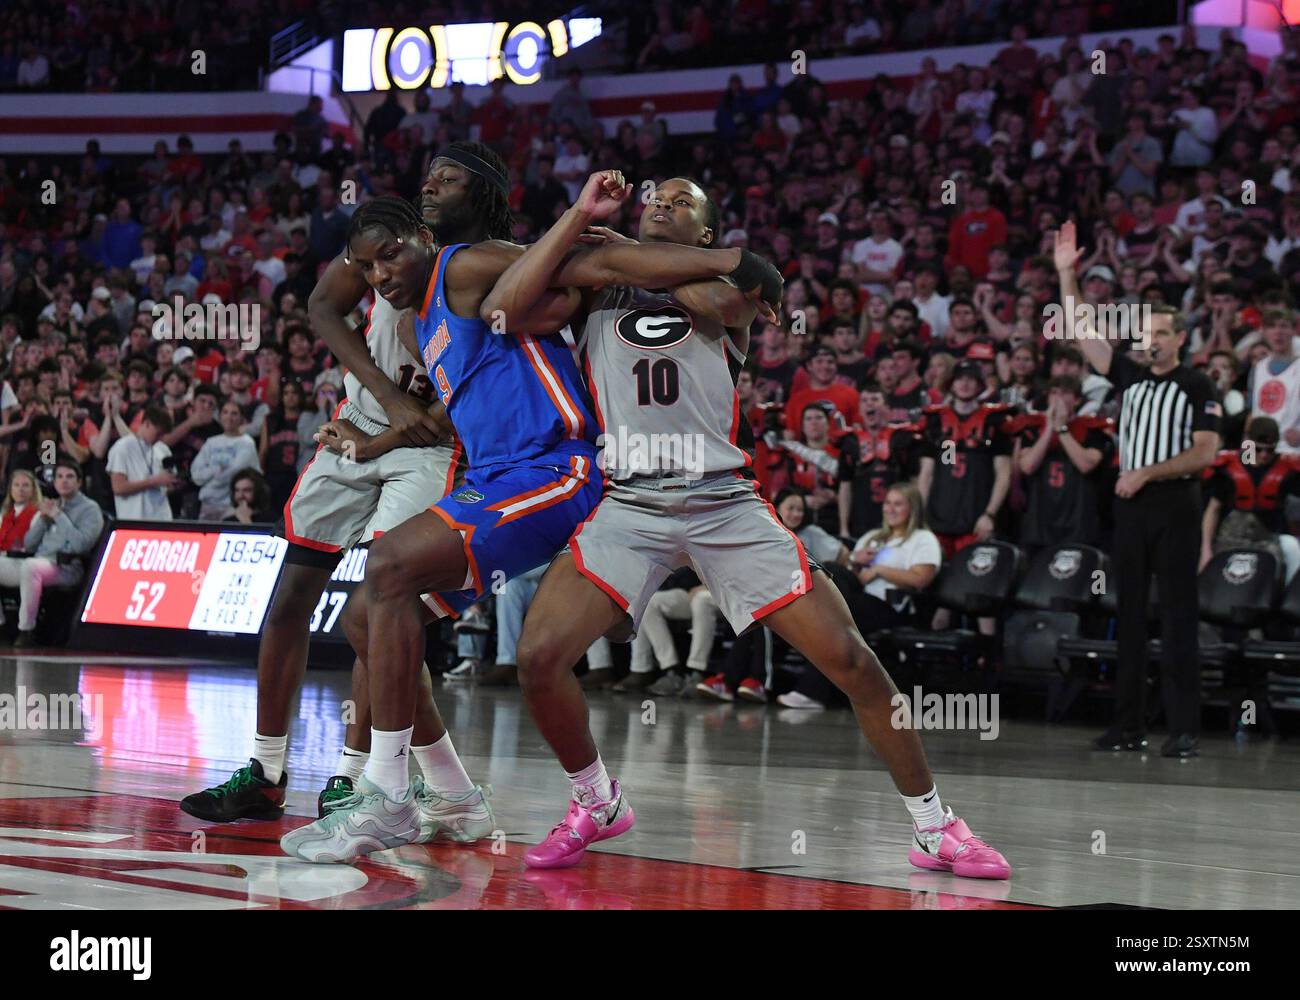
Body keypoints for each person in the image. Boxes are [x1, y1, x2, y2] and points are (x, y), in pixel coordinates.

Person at [484, 176, 1009, 877]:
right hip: (631, 502)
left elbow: (722, 297)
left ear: (707, 234)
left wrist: (629, 259)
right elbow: (504, 309)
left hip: (722, 501)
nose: (659, 205)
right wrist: (609, 254)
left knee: (852, 659)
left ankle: (934, 826)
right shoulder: (602, 285)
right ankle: (598, 801)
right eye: (654, 200)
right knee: (538, 656)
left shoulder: (720, 288)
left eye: (681, 202)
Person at [279, 172, 785, 864]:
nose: (379, 275)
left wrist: (729, 259)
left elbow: (598, 262)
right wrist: (370, 444)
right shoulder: (421, 318)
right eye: (365, 268)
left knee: (390, 564)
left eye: (389, 255)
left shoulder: (464, 263)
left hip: (554, 469)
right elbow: (445, 411)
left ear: (424, 240)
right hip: (496, 480)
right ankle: (454, 797)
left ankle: (386, 792)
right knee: (366, 617)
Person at [180, 143, 515, 836]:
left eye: (448, 178)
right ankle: (266, 772)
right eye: (429, 173)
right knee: (289, 597)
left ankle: (352, 778)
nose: (431, 184)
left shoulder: (498, 262)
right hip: (361, 422)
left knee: (377, 610)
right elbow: (323, 306)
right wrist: (389, 400)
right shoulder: (388, 238)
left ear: (482, 191)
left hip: (435, 448)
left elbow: (497, 371)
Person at [1055, 220, 1221, 758]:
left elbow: (1205, 452)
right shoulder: (1128, 375)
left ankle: (1184, 730)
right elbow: (1081, 331)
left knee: (1176, 615)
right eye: (1146, 333)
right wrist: (1066, 275)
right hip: (1131, 507)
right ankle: (1127, 726)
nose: (1152, 340)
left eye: (1162, 333)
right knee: (1126, 616)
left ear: (1180, 339)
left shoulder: (1199, 385)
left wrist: (1146, 472)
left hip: (1173, 503)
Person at [779, 482, 940, 709]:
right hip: (860, 600)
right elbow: (854, 575)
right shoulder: (873, 536)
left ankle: (811, 691)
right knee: (832, 574)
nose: (890, 509)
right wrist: (857, 562)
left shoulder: (923, 539)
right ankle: (812, 689)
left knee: (833, 611)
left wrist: (879, 570)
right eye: (887, 503)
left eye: (898, 504)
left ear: (912, 509)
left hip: (891, 607)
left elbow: (921, 578)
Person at [0, 459, 104, 647]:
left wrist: (58, 516)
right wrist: (43, 520)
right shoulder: (53, 505)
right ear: (54, 482)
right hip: (38, 562)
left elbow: (80, 545)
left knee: (31, 567)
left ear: (79, 482)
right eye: (60, 477)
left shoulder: (90, 509)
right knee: (26, 565)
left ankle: (26, 630)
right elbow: (29, 544)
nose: (64, 481)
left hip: (67, 567)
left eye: (69, 477)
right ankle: (1, 625)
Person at [190, 400, 261, 521]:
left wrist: (211, 474)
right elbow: (196, 475)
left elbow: (233, 474)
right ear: (220, 416)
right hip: (207, 506)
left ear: (242, 419)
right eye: (225, 412)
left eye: (234, 413)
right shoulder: (211, 442)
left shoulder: (246, 443)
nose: (229, 417)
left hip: (232, 506)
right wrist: (218, 469)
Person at [106, 405, 178, 521]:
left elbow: (168, 486)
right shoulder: (122, 448)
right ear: (147, 424)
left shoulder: (162, 449)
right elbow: (119, 488)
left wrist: (171, 483)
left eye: (163, 435)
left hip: (162, 518)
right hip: (134, 520)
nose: (160, 438)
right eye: (158, 433)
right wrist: (153, 481)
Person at [0, 470, 40, 552]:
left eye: (25, 485)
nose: (20, 489)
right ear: (11, 489)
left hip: (22, 559)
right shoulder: (4, 513)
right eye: (16, 485)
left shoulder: (38, 514)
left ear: (33, 490)